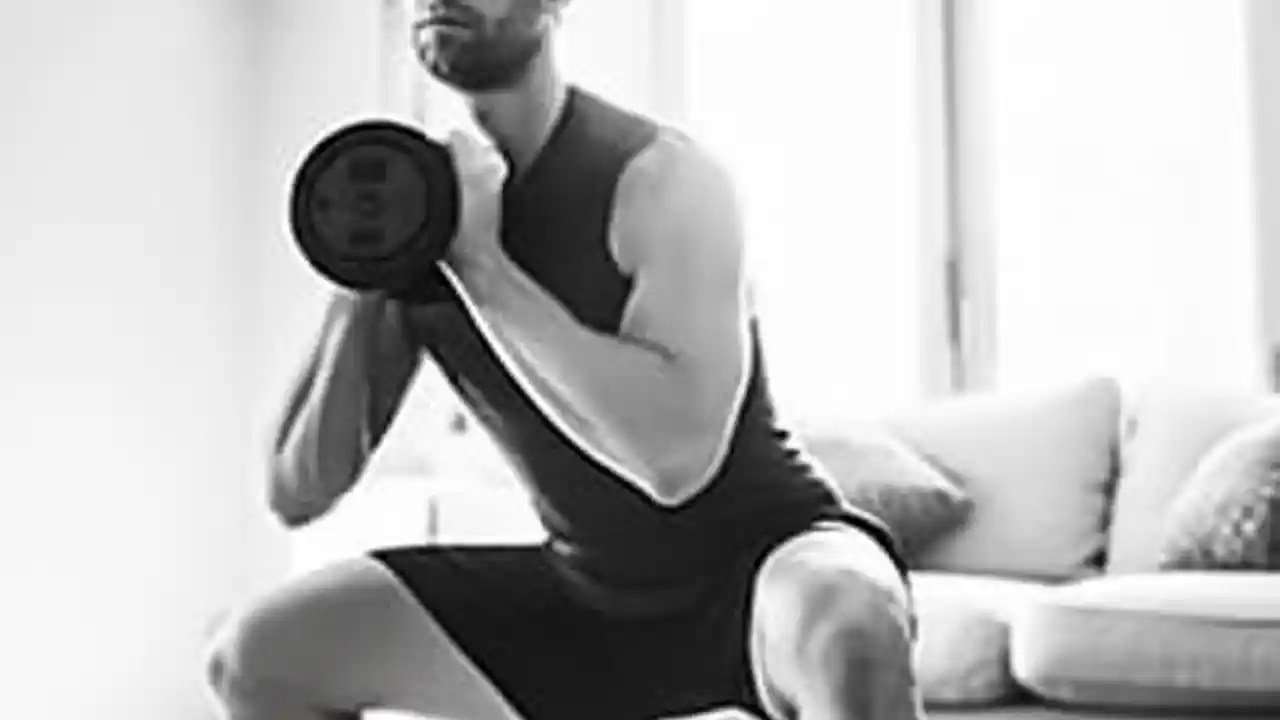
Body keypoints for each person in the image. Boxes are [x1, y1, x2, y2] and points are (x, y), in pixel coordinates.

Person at [204, 1, 924, 719]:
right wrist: (370, 270)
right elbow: (298, 492)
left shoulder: (664, 177)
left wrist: (482, 265)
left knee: (850, 630)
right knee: (259, 658)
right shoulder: (421, 209)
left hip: (764, 567)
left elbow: (676, 462)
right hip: (589, 592)